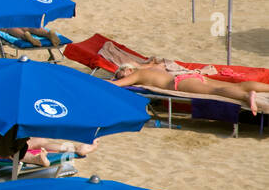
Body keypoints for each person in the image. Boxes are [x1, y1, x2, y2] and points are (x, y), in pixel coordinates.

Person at [112, 60, 266, 113]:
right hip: (189, 76)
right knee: (236, 85)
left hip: (180, 83)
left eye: (121, 73)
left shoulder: (136, 75)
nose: (122, 76)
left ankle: (246, 96)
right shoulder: (151, 68)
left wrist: (106, 81)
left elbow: (116, 85)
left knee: (216, 91)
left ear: (128, 70)